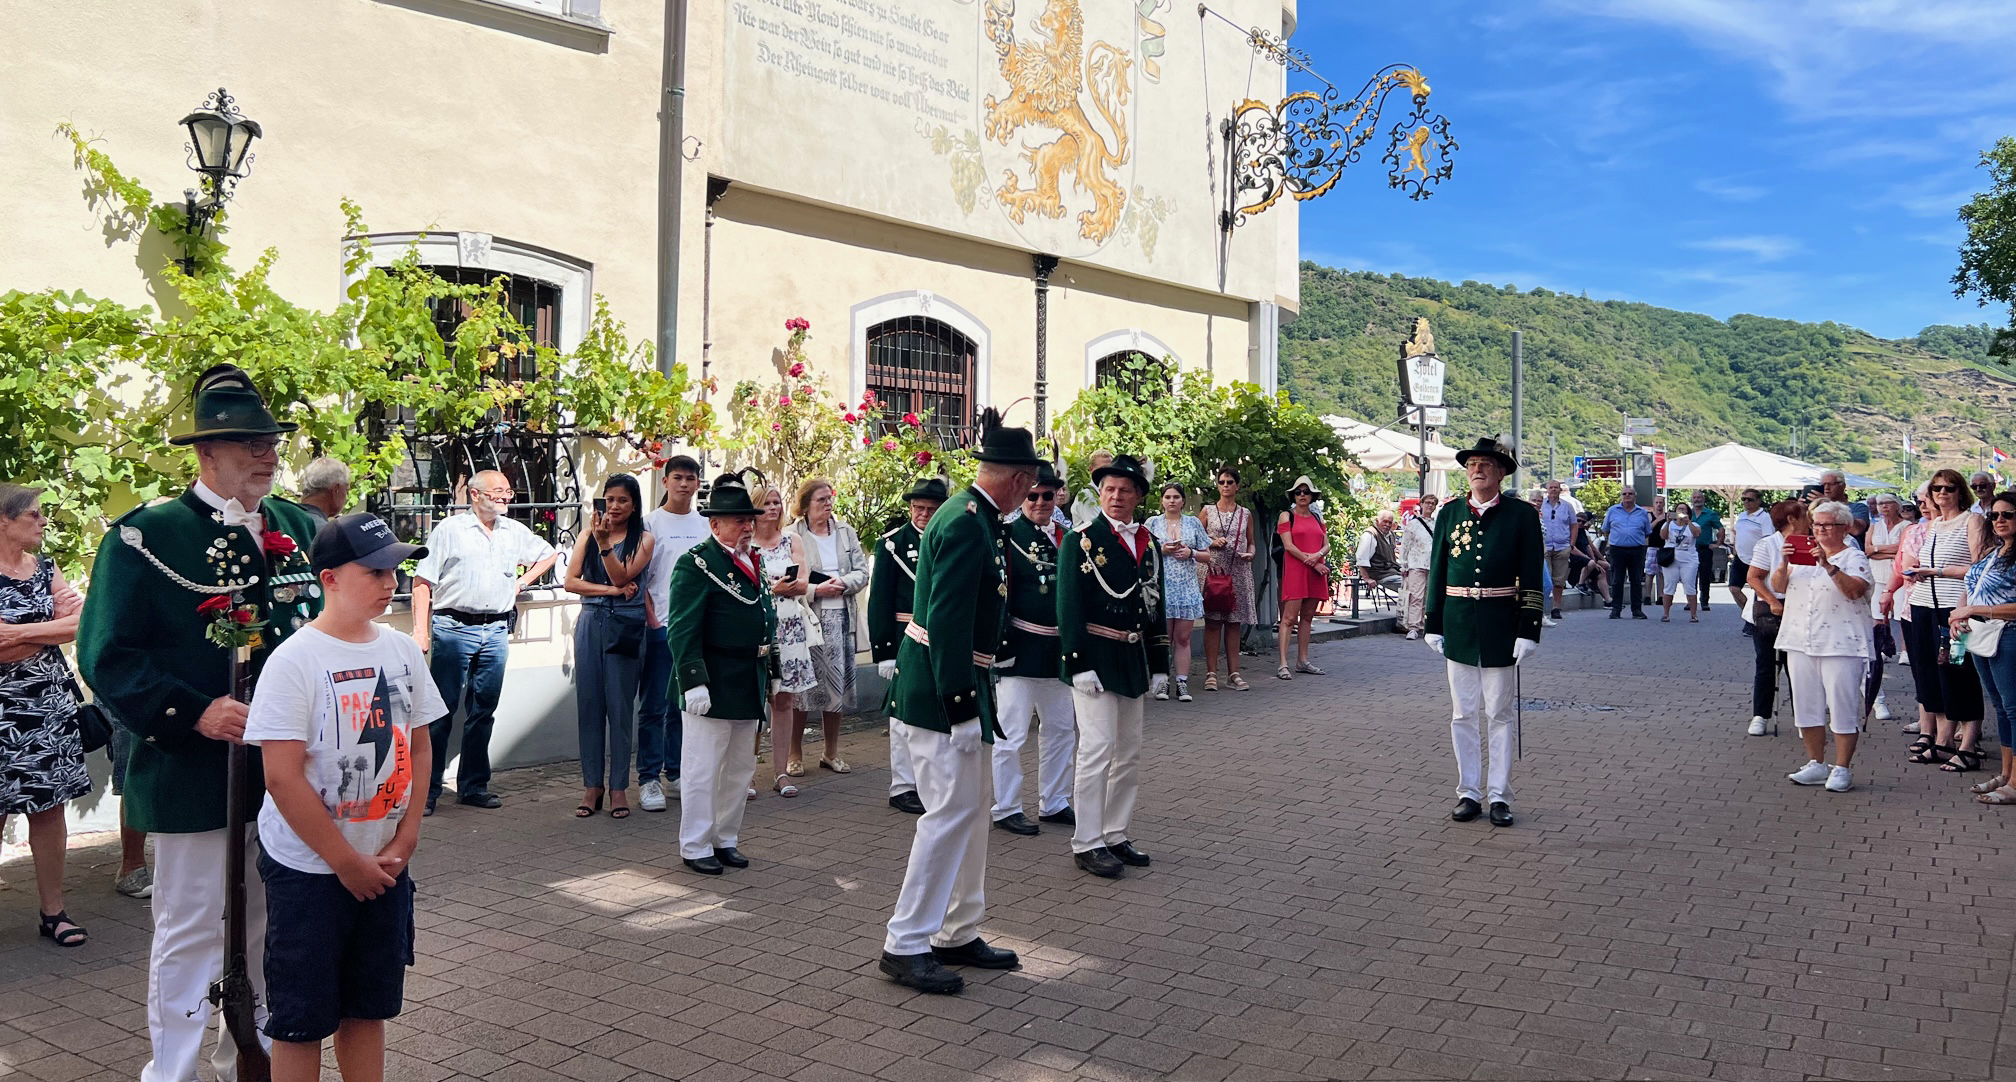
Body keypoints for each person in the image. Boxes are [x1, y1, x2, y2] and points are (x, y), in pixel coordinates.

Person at [77, 364, 325, 1081]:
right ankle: (174, 1070)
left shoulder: (296, 526)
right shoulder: (145, 536)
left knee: (265, 924)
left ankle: (254, 1055)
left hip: (287, 775)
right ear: (205, 453)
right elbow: (109, 655)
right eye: (248, 442)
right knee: (189, 931)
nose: (267, 453)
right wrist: (195, 712)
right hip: (193, 770)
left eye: (270, 439)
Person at [244, 513, 438, 1082]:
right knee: (300, 1019)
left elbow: (420, 746)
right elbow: (280, 777)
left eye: (395, 570)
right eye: (375, 570)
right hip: (309, 869)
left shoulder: (401, 651)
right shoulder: (294, 660)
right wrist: (343, 861)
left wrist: (406, 837)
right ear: (329, 578)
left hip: (381, 863)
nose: (390, 582)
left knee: (367, 1008)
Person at [879, 420, 1041, 994]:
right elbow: (945, 621)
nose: (1032, 493)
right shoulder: (967, 523)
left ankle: (956, 928)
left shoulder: (976, 518)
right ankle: (905, 942)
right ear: (1019, 480)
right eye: (1032, 484)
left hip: (962, 680)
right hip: (941, 690)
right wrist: (962, 706)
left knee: (971, 810)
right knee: (947, 813)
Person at [410, 470, 559, 814]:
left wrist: (522, 583)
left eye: (509, 492)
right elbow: (422, 580)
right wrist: (421, 630)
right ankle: (427, 791)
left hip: (495, 630)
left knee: (484, 710)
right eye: (498, 492)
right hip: (453, 627)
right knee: (440, 711)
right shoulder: (450, 530)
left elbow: (548, 553)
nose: (506, 498)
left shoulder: (513, 530)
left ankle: (473, 786)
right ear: (475, 495)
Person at [1059, 454, 1169, 878]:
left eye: (1125, 490)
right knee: (1096, 749)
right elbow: (1068, 607)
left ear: (1139, 496)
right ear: (1100, 493)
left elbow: (1155, 606)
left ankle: (1115, 832)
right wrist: (1078, 662)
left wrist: (1159, 662)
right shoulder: (1081, 539)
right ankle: (1086, 841)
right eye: (1109, 489)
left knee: (1128, 752)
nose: (1116, 496)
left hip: (1131, 657)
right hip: (1096, 659)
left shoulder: (1148, 541)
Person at [1424, 437, 1543, 829]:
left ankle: (1499, 795)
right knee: (1462, 713)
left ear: (1502, 472)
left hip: (1501, 624)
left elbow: (1530, 574)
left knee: (1500, 713)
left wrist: (1529, 628)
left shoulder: (1521, 516)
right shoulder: (1450, 513)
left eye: (1486, 465)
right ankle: (1468, 792)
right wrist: (1433, 621)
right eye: (1472, 464)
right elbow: (1437, 569)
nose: (1477, 470)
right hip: (1459, 621)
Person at [667, 472, 779, 875]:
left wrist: (774, 670)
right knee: (702, 767)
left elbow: (767, 618)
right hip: (711, 678)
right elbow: (681, 627)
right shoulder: (696, 563)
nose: (747, 526)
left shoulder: (754, 561)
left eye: (749, 519)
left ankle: (725, 838)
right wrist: (692, 679)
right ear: (715, 525)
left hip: (747, 676)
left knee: (739, 770)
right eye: (737, 520)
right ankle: (695, 844)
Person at [0, 485, 92, 947]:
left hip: (46, 708)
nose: (42, 523)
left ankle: (53, 913)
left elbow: (83, 622)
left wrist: (22, 633)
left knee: (50, 809)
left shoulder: (47, 569)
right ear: (3, 520)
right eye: (33, 515)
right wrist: (49, 632)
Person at [563, 474, 654, 819]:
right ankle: (592, 786)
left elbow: (622, 574)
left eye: (622, 501)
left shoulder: (644, 539)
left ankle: (618, 788)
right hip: (590, 622)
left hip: (625, 627)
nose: (614, 507)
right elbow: (571, 582)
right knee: (589, 705)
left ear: (634, 505)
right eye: (609, 500)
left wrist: (605, 546)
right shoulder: (586, 535)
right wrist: (611, 592)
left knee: (619, 707)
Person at [992, 465, 1075, 835]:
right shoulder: (1007, 537)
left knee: (1061, 730)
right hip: (1020, 650)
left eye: (1049, 495)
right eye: (1033, 495)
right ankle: (1006, 806)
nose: (1041, 502)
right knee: (1010, 734)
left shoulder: (1069, 537)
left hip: (1057, 651)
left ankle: (1054, 801)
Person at [1773, 501, 1872, 791]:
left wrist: (1828, 566)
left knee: (1842, 706)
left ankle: (1842, 767)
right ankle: (1816, 762)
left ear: (1844, 528)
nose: (1820, 530)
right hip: (1800, 639)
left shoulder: (1853, 557)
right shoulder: (1803, 554)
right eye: (1816, 524)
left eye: (1827, 525)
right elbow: (1779, 585)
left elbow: (1855, 591)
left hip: (1840, 643)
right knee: (1806, 706)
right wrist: (1784, 562)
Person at [1901, 469, 1989, 772]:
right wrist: (1919, 571)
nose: (1941, 493)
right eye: (1936, 488)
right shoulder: (1934, 524)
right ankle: (1944, 740)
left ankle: (1969, 745)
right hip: (1923, 605)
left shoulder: (1972, 521)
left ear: (1960, 491)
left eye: (1948, 488)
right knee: (1930, 674)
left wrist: (1937, 572)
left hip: (1955, 608)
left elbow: (1978, 569)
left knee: (1959, 672)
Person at [869, 478, 945, 815]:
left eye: (931, 509)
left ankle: (931, 780)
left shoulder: (949, 538)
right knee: (901, 715)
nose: (924, 515)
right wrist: (884, 650)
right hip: (904, 637)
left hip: (940, 637)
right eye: (919, 508)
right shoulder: (892, 545)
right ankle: (902, 785)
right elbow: (879, 601)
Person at [637, 455, 710, 812]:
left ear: (698, 483)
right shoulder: (650, 523)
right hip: (661, 627)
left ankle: (677, 771)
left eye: (690, 478)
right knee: (654, 706)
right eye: (677, 477)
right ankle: (648, 777)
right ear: (665, 481)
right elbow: (642, 579)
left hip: (695, 631)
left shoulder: (705, 526)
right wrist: (653, 621)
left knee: (686, 705)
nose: (684, 484)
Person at [789, 479, 870, 777]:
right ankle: (794, 753)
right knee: (802, 689)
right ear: (806, 504)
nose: (828, 504)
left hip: (842, 618)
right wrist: (814, 589)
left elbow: (862, 571)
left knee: (837, 688)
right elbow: (786, 579)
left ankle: (830, 752)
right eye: (821, 499)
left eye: (829, 498)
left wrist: (844, 583)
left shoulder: (845, 532)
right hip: (808, 620)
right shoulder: (793, 534)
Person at [750, 484, 814, 797]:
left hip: (789, 626)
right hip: (758, 625)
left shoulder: (792, 539)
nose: (773, 508)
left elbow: (803, 582)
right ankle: (745, 775)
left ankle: (781, 772)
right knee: (753, 699)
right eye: (766, 504)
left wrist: (783, 587)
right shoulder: (745, 542)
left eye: (777, 503)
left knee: (783, 699)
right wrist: (771, 590)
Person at [1958, 491, 2016, 804]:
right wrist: (1960, 613)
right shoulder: (1996, 551)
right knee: (2002, 708)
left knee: (2014, 708)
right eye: (1994, 515)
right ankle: (2007, 774)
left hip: (2008, 633)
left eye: (2007, 515)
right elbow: (1972, 587)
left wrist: (1980, 611)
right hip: (1981, 632)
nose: (2000, 521)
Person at [1743, 500, 1808, 736]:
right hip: (1771, 608)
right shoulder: (1768, 544)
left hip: (1800, 606)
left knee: (1798, 667)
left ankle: (1804, 718)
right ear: (1792, 519)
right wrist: (1772, 601)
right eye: (1804, 515)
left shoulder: (1811, 543)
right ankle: (1761, 715)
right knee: (1766, 664)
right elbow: (1754, 577)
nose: (1808, 520)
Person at [1146, 482, 1208, 701]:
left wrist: (1190, 552)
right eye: (1168, 497)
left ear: (1183, 501)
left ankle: (1182, 682)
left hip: (1186, 587)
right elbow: (1142, 553)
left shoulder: (1192, 523)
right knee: (1162, 638)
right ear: (1161, 500)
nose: (1172, 501)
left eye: (1176, 497)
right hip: (1161, 588)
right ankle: (1161, 682)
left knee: (1183, 638)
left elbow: (1207, 555)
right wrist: (1162, 550)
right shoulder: (1152, 523)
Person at [1880, 486, 1933, 737]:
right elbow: (1900, 566)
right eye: (1918, 500)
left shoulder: (1961, 526)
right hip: (1913, 607)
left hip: (1945, 608)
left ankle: (1959, 727)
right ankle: (1926, 722)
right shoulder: (1912, 530)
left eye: (1927, 500)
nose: (1923, 505)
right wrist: (1888, 592)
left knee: (1949, 669)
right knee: (1920, 668)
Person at [1199, 467, 1256, 690]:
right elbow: (1195, 538)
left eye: (1230, 482)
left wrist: (1251, 553)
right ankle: (1211, 673)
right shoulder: (1207, 510)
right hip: (1213, 573)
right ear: (1217, 485)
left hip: (1238, 572)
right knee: (1212, 622)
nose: (1225, 486)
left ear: (1237, 486)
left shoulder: (1246, 514)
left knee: (1234, 623)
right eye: (1222, 482)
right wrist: (1211, 542)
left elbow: (1251, 541)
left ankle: (1234, 673)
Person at [1276, 477, 1330, 678]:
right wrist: (1315, 561)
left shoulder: (1317, 518)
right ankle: (1283, 663)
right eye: (1298, 492)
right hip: (1297, 571)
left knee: (1307, 617)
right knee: (1289, 618)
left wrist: (1318, 556)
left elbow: (1326, 544)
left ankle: (1303, 660)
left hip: (1315, 572)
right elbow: (1288, 546)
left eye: (1306, 492)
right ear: (1293, 495)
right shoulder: (1286, 516)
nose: (1302, 495)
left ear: (1312, 496)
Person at [1865, 492, 1907, 722]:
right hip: (1878, 576)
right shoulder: (1874, 526)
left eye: (1887, 503)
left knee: (1901, 615)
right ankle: (1882, 646)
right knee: (1878, 616)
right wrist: (1885, 550)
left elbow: (1902, 551)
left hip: (1898, 575)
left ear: (1896, 505)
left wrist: (1879, 550)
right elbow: (1867, 549)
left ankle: (1905, 651)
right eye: (1879, 503)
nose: (1882, 507)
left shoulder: (1906, 526)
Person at [1603, 488, 1654, 619]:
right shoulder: (1612, 511)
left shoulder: (1642, 512)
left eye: (1630, 494)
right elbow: (1606, 529)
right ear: (1621, 496)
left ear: (1635, 496)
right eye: (1624, 494)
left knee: (1636, 580)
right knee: (1617, 580)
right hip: (1617, 549)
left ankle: (1637, 610)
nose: (1627, 496)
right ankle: (1616, 609)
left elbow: (1647, 531)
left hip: (1637, 549)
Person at [1729, 489, 1772, 627]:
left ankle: (1756, 621)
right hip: (1740, 558)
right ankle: (1750, 617)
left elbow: (1768, 538)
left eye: (1750, 499)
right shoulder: (1741, 516)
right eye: (1744, 499)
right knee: (1734, 588)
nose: (1746, 502)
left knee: (1758, 591)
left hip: (1757, 559)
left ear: (1758, 501)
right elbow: (1738, 534)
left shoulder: (1764, 517)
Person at [1400, 494, 1438, 640]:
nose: (1430, 506)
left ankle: (1425, 625)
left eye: (1433, 503)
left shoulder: (1437, 524)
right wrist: (1403, 565)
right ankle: (1413, 626)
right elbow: (1405, 545)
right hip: (1416, 564)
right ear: (1421, 504)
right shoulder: (1413, 524)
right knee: (1416, 596)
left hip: (1432, 564)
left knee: (1429, 596)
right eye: (1427, 503)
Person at [1656, 505, 1701, 623]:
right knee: (1669, 586)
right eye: (1679, 509)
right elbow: (1663, 536)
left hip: (1689, 559)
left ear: (1688, 512)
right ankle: (1666, 614)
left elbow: (1696, 534)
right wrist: (1668, 521)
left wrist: (1688, 522)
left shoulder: (1694, 525)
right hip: (1671, 558)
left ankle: (1694, 615)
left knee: (1689, 585)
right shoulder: (1669, 525)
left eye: (1684, 509)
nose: (1681, 511)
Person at [1539, 481, 1576, 622]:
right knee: (1545, 580)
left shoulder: (1567, 506)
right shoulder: (1541, 505)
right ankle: (1542, 610)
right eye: (1551, 488)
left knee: (1559, 581)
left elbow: (1574, 525)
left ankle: (1556, 608)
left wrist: (1571, 544)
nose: (1553, 490)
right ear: (1547, 490)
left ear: (1560, 490)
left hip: (1562, 547)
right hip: (1545, 547)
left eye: (1556, 487)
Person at [1355, 508, 1404, 609]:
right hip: (1379, 574)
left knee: (1416, 582)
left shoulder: (1391, 535)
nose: (1387, 525)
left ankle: (1408, 615)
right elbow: (1361, 559)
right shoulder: (1370, 535)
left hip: (1391, 571)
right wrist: (1367, 579)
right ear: (1377, 521)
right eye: (1384, 521)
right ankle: (1406, 617)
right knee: (1410, 586)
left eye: (1390, 522)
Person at [296, 457, 352, 531]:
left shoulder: (282, 518)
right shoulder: (328, 533)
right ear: (336, 490)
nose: (346, 497)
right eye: (346, 491)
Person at [1689, 490, 1721, 613]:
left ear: (1703, 499)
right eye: (1694, 497)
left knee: (1704, 576)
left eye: (1699, 497)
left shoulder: (1710, 514)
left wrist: (1718, 543)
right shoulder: (1687, 513)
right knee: (1690, 576)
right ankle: (1690, 601)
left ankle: (1704, 601)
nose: (1696, 499)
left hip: (1704, 549)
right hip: (1689, 549)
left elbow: (1720, 528)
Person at [1819, 470, 1868, 543]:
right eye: (1823, 485)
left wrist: (1829, 504)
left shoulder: (1858, 507)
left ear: (1843, 486)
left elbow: (1856, 530)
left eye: (1831, 484)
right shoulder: (1817, 507)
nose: (1826, 488)